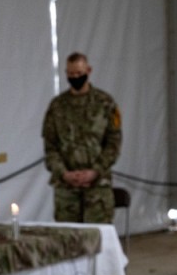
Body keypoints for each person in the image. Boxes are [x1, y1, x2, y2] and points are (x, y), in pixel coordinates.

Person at [42, 52, 122, 223]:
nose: (75, 77)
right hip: (66, 189)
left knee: (99, 242)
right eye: (70, 74)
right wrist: (64, 173)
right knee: (68, 243)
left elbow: (113, 144)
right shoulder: (57, 106)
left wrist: (95, 171)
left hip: (97, 187)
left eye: (79, 73)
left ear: (88, 70)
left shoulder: (105, 103)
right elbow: (50, 147)